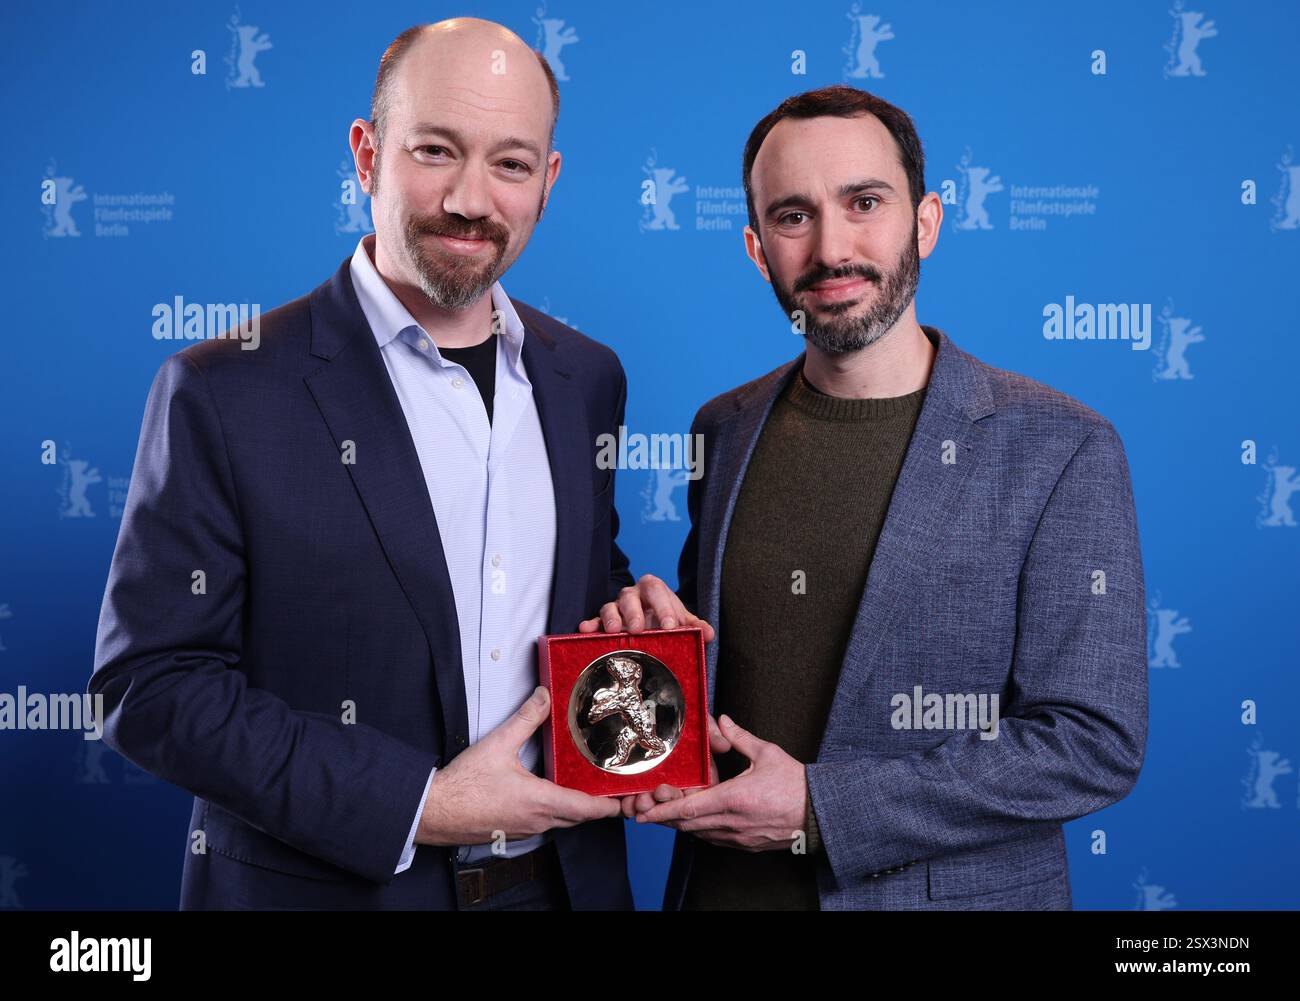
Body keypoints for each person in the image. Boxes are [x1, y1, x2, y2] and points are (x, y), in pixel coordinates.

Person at [90, 17, 704, 911]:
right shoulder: (223, 390)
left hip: (566, 887)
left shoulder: (586, 377)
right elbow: (152, 687)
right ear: (367, 154)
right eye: (436, 151)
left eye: (511, 164)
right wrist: (422, 804)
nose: (470, 198)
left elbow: (564, 583)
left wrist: (626, 619)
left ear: (548, 181)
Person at [586, 85, 1148, 910]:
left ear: (925, 222)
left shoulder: (1060, 446)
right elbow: (731, 676)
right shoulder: (726, 426)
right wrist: (646, 651)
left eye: (865, 202)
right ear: (756, 247)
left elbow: (1093, 742)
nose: (831, 246)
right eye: (792, 216)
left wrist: (822, 809)